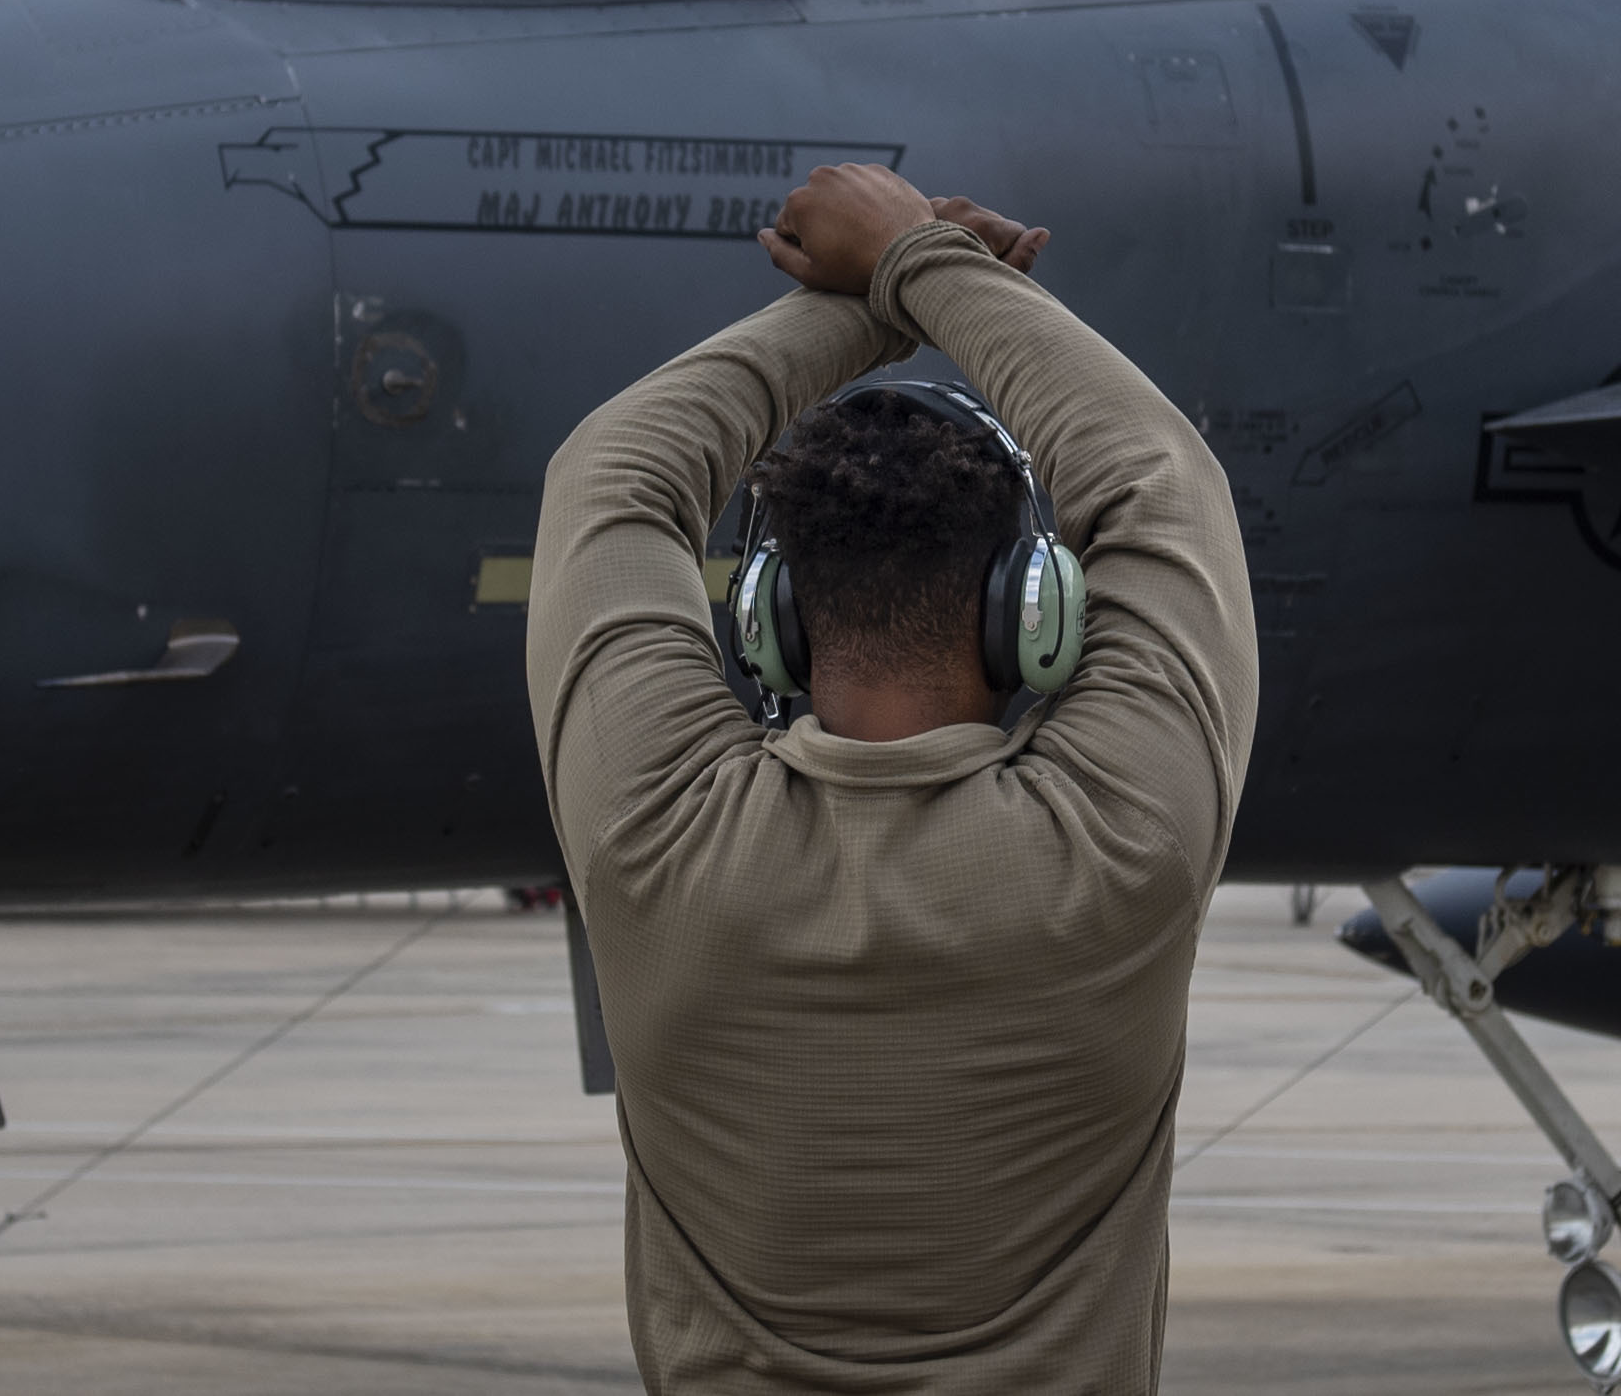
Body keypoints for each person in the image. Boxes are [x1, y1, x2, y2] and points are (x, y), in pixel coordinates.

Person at [526, 163, 1259, 1393]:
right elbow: (1159, 478)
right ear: (1031, 620)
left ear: (773, 621)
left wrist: (875, 291)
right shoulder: (1123, 846)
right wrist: (924, 268)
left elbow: (612, 475)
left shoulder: (653, 836)